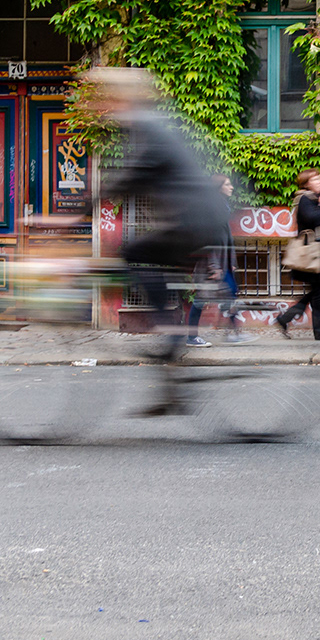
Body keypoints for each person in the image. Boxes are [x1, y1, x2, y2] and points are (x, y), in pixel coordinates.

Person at [84, 68, 231, 415]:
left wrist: (72, 216)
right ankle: (171, 390)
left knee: (134, 250)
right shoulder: (147, 123)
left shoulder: (147, 125)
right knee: (153, 260)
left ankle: (170, 329)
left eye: (102, 99)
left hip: (195, 220)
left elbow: (131, 176)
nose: (100, 107)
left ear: (117, 98)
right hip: (197, 219)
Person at [187, 175, 257, 345]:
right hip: (211, 266)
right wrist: (214, 266)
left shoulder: (221, 207)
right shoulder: (212, 208)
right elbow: (208, 239)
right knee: (200, 301)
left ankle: (233, 334)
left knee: (230, 295)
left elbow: (225, 238)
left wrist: (230, 261)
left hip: (222, 263)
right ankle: (191, 337)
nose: (231, 187)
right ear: (218, 187)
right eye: (227, 184)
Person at [275, 169, 320, 341]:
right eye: (316, 179)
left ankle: (285, 318)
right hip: (311, 254)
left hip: (316, 254)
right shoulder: (305, 199)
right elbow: (313, 219)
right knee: (319, 293)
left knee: (316, 292)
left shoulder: (310, 199)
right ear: (306, 183)